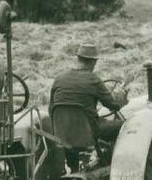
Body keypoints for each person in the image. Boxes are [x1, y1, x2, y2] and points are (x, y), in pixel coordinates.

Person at [49, 42, 126, 172]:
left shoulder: (59, 79)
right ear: (93, 62)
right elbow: (113, 105)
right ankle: (116, 167)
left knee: (72, 129)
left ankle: (74, 167)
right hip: (88, 131)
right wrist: (122, 96)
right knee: (123, 126)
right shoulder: (93, 80)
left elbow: (51, 109)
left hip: (61, 133)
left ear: (78, 58)